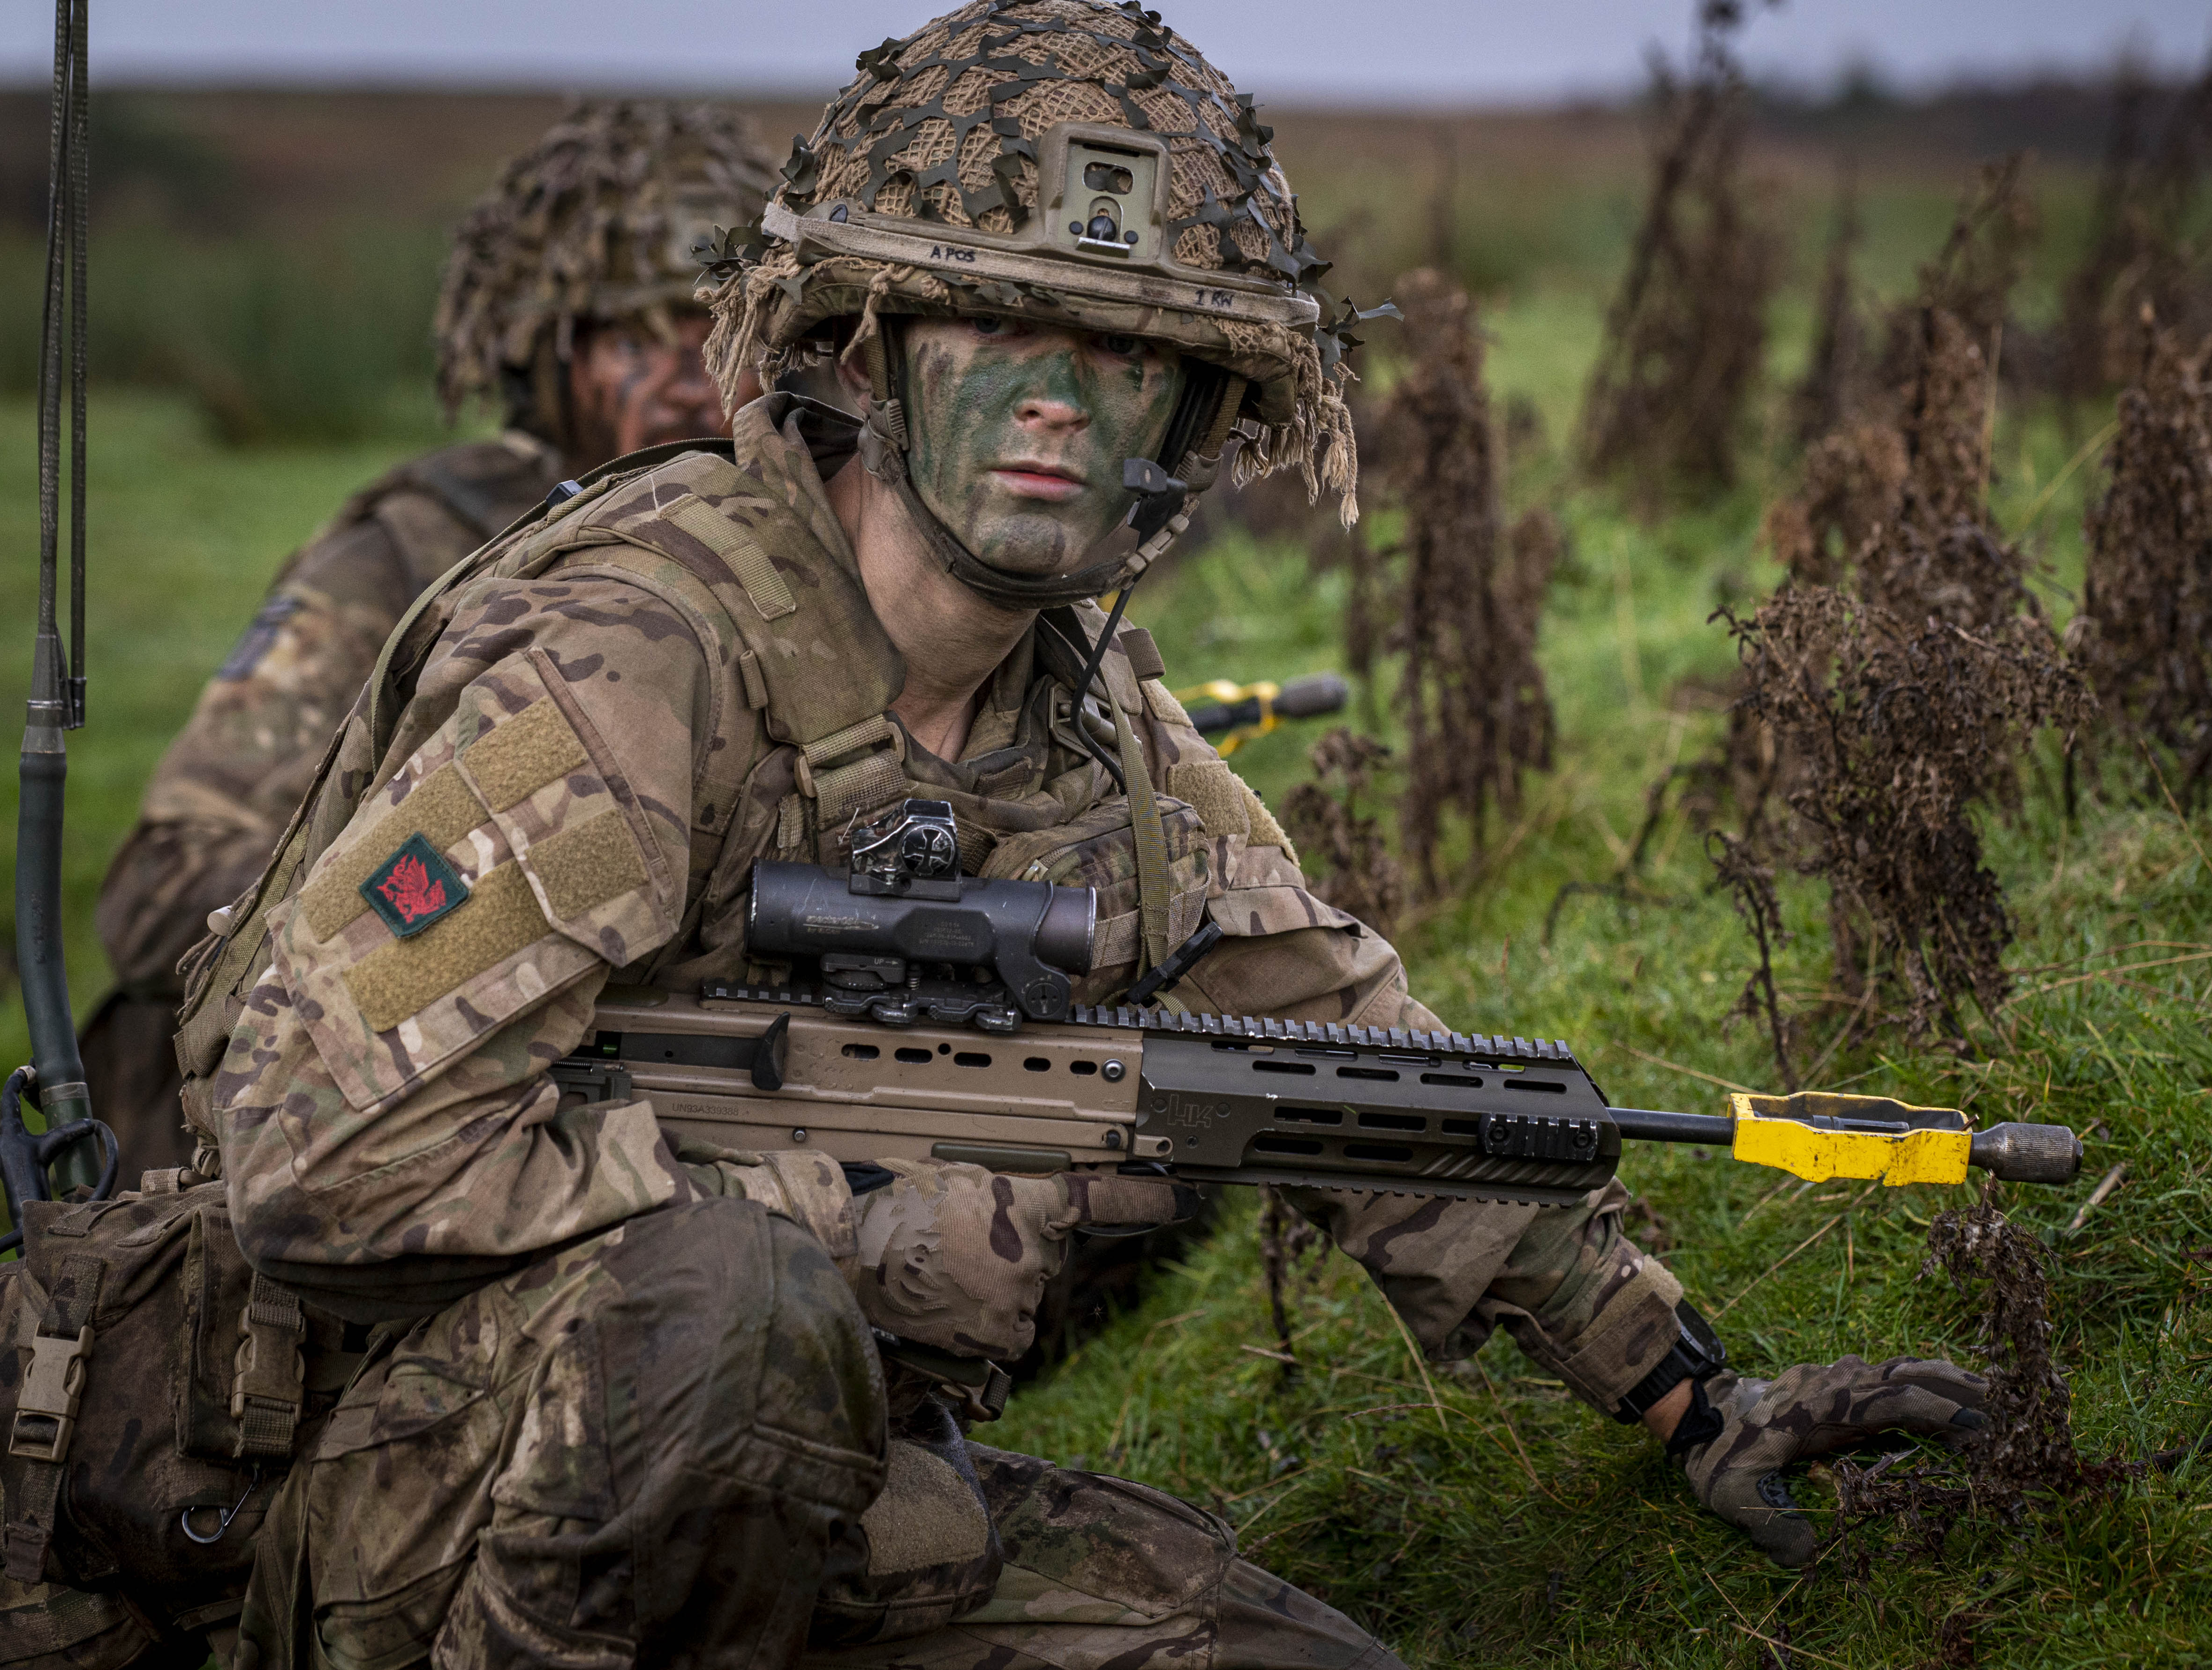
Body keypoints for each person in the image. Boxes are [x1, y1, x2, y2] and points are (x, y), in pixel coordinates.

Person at [175, 6, 1992, 1664]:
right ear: (870, 345)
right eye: (1006, 325)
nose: (1061, 395)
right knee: (729, 1303)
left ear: (1196, 414)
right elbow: (315, 1141)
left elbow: (1364, 1072)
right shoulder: (641, 657)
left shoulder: (1104, 732)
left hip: (817, 1497)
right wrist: (843, 1226)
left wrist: (1688, 1386)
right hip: (411, 1501)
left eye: (1130, 351)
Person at [82, 99, 782, 1182]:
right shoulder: (416, 550)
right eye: (633, 337)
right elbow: (168, 880)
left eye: (720, 329)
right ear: (542, 351)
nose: (693, 373)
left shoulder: (797, 554)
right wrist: (458, 910)